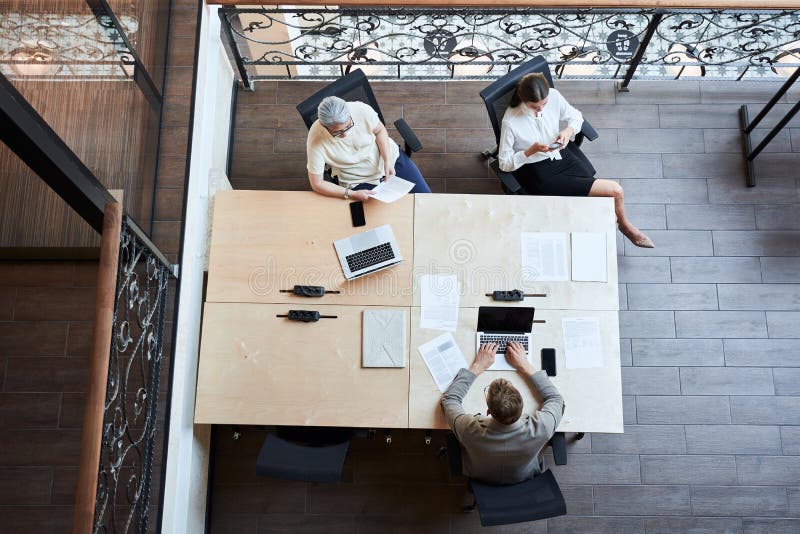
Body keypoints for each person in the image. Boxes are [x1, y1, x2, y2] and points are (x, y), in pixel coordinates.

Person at [498, 73, 654, 248]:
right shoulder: (510, 122)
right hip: (539, 172)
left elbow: (576, 117)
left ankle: (619, 225)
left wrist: (567, 132)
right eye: (535, 107)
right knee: (614, 191)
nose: (541, 110)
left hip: (562, 155)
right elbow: (504, 163)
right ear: (523, 99)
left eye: (544, 104)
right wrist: (529, 151)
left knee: (605, 198)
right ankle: (623, 226)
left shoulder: (554, 96)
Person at [441, 341, 564, 485]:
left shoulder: (469, 429)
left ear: (488, 412)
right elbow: (556, 399)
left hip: (480, 477)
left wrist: (477, 366)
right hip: (523, 479)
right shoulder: (542, 427)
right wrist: (525, 365)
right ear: (522, 409)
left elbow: (449, 400)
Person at [306, 96, 431, 201]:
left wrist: (387, 160)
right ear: (324, 126)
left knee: (426, 199)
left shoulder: (361, 109)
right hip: (357, 179)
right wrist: (352, 194)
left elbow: (380, 131)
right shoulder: (315, 140)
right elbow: (317, 183)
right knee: (381, 219)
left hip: (388, 159)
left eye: (348, 126)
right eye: (337, 132)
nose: (345, 134)